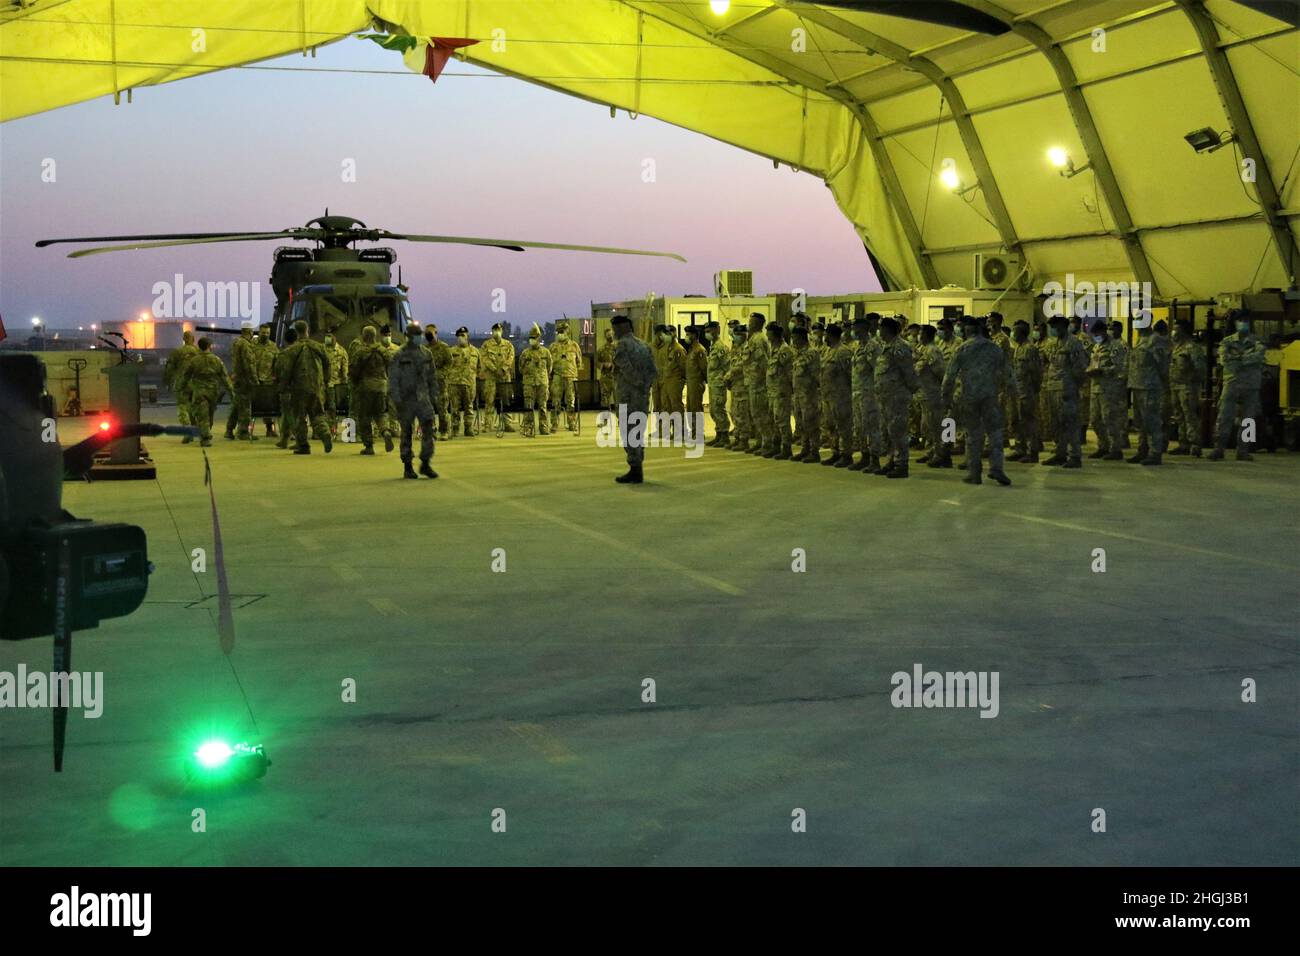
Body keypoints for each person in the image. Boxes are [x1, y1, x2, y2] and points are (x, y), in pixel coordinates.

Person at [943, 315, 1012, 485]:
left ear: (967, 331)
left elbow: (949, 376)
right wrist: (1011, 392)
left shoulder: (962, 349)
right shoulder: (994, 348)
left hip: (970, 397)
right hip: (990, 396)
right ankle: (997, 468)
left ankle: (974, 473)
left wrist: (946, 397)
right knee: (995, 433)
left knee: (973, 434)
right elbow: (1008, 373)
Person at [1209, 310, 1267, 461]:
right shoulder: (1227, 341)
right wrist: (1247, 358)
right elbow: (1224, 359)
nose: (1243, 323)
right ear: (1235, 323)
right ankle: (1218, 448)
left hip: (1251, 385)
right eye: (1240, 320)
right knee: (1224, 417)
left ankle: (1243, 450)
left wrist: (1238, 358)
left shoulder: (1257, 341)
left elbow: (1259, 356)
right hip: (1232, 384)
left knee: (1249, 419)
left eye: (1246, 320)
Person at [610, 314, 657, 484]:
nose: (613, 332)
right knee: (638, 431)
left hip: (628, 397)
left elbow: (625, 367)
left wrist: (637, 383)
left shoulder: (622, 345)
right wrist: (645, 387)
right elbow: (653, 371)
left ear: (621, 328)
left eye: (615, 328)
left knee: (629, 431)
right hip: (642, 397)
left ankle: (635, 469)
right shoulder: (644, 345)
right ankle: (637, 468)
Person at [388, 322, 438, 479]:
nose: (419, 338)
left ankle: (425, 463)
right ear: (408, 337)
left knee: (429, 430)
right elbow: (393, 379)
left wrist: (434, 396)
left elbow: (432, 377)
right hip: (406, 400)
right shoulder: (399, 355)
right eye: (416, 335)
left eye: (419, 335)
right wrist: (396, 399)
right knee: (406, 433)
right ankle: (408, 466)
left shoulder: (426, 354)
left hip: (423, 399)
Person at [1040, 315, 1087, 467]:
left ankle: (1075, 456)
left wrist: (1074, 387)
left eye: (1057, 326)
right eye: (1053, 327)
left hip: (1067, 388)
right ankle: (1060, 453)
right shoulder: (1053, 343)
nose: (1055, 329)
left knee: (1070, 423)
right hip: (1053, 387)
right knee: (1056, 422)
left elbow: (1079, 368)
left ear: (1064, 326)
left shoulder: (1073, 343)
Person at [875, 317, 918, 478]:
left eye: (881, 328)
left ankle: (902, 465)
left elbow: (908, 372)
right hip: (886, 397)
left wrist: (911, 391)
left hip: (897, 397)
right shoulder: (886, 346)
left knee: (898, 431)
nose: (879, 331)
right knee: (889, 431)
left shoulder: (900, 347)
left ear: (887, 330)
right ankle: (891, 461)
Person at [281, 320, 333, 455]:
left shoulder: (292, 349)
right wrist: (325, 381)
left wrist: (283, 386)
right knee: (318, 414)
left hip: (299, 388)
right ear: (307, 330)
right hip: (317, 386)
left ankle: (303, 445)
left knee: (300, 417)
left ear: (296, 332)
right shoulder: (319, 347)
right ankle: (325, 433)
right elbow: (328, 364)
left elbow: (287, 370)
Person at [175, 337, 231, 448]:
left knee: (203, 415)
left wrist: (179, 387)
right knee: (208, 415)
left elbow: (185, 376)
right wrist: (231, 391)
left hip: (199, 391)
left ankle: (205, 434)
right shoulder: (216, 360)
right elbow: (224, 377)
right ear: (210, 346)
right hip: (213, 392)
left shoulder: (194, 361)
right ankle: (205, 437)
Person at [349, 325, 395, 455]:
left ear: (364, 336)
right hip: (381, 386)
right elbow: (391, 365)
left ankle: (369, 446)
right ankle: (385, 431)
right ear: (375, 336)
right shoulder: (383, 350)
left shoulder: (361, 351)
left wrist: (355, 383)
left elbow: (353, 370)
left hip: (366, 387)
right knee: (380, 413)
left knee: (365, 416)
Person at [1085, 319, 1126, 460]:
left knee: (1109, 419)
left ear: (1103, 332)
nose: (1096, 336)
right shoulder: (1096, 346)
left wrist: (1103, 371)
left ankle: (1116, 449)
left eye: (1098, 333)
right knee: (1095, 419)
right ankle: (1103, 446)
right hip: (1095, 387)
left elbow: (1120, 367)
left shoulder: (1114, 346)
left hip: (1109, 387)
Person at [1126, 321, 1165, 465]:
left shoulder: (1155, 340)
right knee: (1140, 422)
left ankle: (1155, 453)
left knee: (1151, 421)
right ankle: (1143, 450)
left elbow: (1162, 364)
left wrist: (1160, 383)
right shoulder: (1139, 339)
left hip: (1149, 386)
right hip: (1137, 385)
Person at [849, 313, 884, 473]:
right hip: (857, 392)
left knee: (871, 427)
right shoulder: (858, 347)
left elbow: (878, 369)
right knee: (859, 427)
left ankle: (874, 459)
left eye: (856, 328)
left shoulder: (872, 346)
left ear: (864, 329)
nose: (853, 331)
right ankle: (864, 456)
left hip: (869, 394)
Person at [1168, 318, 1206, 457]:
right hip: (1175, 386)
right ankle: (1183, 444)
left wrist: (1192, 380)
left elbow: (1200, 368)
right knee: (1179, 417)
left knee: (1190, 416)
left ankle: (1195, 445)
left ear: (1184, 332)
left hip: (1187, 387)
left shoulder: (1192, 348)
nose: (1174, 332)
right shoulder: (1175, 347)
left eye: (1177, 330)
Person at [1008, 320, 1042, 463]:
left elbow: (1036, 372)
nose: (1012, 334)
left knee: (1028, 422)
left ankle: (1032, 451)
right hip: (1017, 390)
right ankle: (1019, 448)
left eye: (1015, 332)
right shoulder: (1018, 348)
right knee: (1018, 422)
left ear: (1021, 333)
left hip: (1027, 391)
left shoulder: (1030, 348)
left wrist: (1034, 389)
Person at [820, 324, 853, 467]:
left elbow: (850, 374)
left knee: (843, 426)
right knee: (831, 426)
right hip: (828, 395)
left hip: (841, 396)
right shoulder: (828, 351)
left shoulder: (843, 352)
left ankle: (847, 454)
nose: (824, 337)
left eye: (826, 334)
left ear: (832, 335)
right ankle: (836, 452)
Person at [914, 324, 946, 465]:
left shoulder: (933, 351)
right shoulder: (922, 350)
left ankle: (942, 455)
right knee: (927, 426)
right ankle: (933, 451)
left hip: (933, 394)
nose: (919, 336)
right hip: (924, 395)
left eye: (921, 334)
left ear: (927, 335)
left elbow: (940, 373)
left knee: (937, 426)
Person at [790, 324, 821, 463]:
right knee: (800, 424)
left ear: (802, 338)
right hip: (798, 394)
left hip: (809, 395)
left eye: (795, 338)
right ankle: (805, 449)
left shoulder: (811, 353)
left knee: (811, 424)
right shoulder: (796, 353)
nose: (793, 340)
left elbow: (816, 375)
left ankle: (814, 451)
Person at [764, 323, 795, 459]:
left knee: (782, 421)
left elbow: (790, 373)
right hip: (772, 391)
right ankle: (776, 446)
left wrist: (788, 390)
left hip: (781, 391)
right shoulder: (773, 349)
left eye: (769, 332)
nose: (767, 335)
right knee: (773, 420)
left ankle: (786, 448)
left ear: (775, 334)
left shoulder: (784, 350)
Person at [163, 329, 200, 442]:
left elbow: (169, 369)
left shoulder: (177, 352)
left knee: (182, 407)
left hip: (182, 383)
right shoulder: (199, 352)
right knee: (195, 407)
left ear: (183, 339)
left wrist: (167, 382)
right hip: (196, 384)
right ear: (193, 339)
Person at [481, 322, 517, 434]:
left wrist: (503, 369)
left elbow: (510, 358)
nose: (497, 332)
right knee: (489, 401)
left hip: (504, 378)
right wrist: (494, 369)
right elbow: (484, 359)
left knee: (506, 401)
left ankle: (507, 424)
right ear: (492, 332)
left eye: (499, 330)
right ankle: (488, 425)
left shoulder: (508, 345)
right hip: (491, 378)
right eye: (495, 330)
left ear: (501, 331)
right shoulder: (486, 345)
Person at [549, 320, 584, 433]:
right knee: (555, 401)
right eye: (558, 332)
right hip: (557, 377)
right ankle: (554, 424)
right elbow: (549, 363)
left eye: (562, 332)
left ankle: (571, 423)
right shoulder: (553, 346)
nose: (560, 334)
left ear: (567, 332)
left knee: (571, 401)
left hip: (571, 377)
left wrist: (572, 371)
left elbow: (579, 362)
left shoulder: (574, 346)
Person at [743, 312, 771, 454]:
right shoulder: (753, 338)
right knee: (756, 414)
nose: (749, 324)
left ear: (758, 324)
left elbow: (763, 362)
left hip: (759, 384)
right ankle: (760, 442)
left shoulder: (758, 339)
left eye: (751, 322)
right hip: (753, 383)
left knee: (761, 415)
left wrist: (765, 381)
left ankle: (766, 443)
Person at [519, 324, 553, 437]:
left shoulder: (546, 352)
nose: (532, 340)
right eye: (530, 338)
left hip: (542, 383)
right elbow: (520, 368)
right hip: (529, 383)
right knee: (528, 407)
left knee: (543, 406)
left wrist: (543, 376)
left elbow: (549, 367)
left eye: (534, 338)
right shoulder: (525, 353)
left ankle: (543, 427)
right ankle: (528, 428)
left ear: (539, 339)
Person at [653, 324, 685, 440]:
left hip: (674, 382)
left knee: (676, 407)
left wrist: (680, 382)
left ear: (674, 334)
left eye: (668, 333)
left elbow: (683, 368)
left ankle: (680, 432)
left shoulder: (678, 349)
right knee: (666, 407)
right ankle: (670, 431)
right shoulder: (666, 348)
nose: (665, 336)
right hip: (663, 381)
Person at [447, 326, 479, 437]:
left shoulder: (475, 351)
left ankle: (468, 428)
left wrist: (473, 377)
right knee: (455, 408)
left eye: (463, 336)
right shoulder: (451, 351)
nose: (460, 338)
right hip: (454, 383)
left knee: (469, 407)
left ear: (467, 336)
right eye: (459, 336)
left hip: (469, 383)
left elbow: (479, 368)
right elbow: (446, 367)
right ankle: (455, 429)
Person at [226, 323, 256, 440]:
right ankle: (243, 432)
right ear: (250, 332)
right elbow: (249, 364)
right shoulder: (245, 345)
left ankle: (229, 429)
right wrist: (254, 380)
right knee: (245, 407)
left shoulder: (236, 342)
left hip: (237, 377)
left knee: (236, 405)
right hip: (245, 380)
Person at [423, 324, 453, 440]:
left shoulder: (444, 348)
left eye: (430, 334)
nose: (428, 337)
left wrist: (441, 374)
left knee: (442, 409)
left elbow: (449, 363)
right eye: (426, 335)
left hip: (440, 384)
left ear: (436, 333)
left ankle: (444, 431)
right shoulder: (424, 349)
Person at [704, 321, 730, 447]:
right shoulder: (713, 346)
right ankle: (719, 434)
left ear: (717, 330)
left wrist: (725, 381)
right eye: (706, 331)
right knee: (713, 410)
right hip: (713, 384)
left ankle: (724, 435)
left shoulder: (720, 347)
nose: (708, 333)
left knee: (719, 409)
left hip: (719, 384)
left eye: (710, 331)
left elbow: (726, 366)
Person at [251, 323, 279, 438]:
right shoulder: (252, 346)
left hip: (268, 382)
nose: (265, 335)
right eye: (263, 333)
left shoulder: (273, 347)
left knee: (268, 406)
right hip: (254, 381)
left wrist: (275, 376)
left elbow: (277, 363)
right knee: (251, 407)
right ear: (259, 332)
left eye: (267, 333)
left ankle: (270, 429)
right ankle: (244, 430)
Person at [726, 323, 750, 451]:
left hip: (742, 385)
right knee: (734, 411)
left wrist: (730, 374)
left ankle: (744, 440)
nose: (735, 337)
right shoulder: (736, 348)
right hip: (735, 385)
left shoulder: (747, 348)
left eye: (738, 335)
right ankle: (737, 437)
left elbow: (742, 365)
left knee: (742, 413)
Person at [273, 327, 298, 448]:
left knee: (288, 414)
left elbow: (277, 371)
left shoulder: (282, 354)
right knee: (288, 415)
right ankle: (284, 439)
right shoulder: (300, 352)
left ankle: (299, 439)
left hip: (286, 388)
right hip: (298, 387)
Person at [323, 330, 349, 437]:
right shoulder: (321, 349)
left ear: (334, 337)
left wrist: (344, 382)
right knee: (323, 408)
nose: (328, 338)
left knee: (332, 407)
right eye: (326, 336)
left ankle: (332, 428)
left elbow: (344, 369)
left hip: (335, 385)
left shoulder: (341, 351)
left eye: (329, 336)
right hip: (322, 384)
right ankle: (325, 429)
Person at [684, 326, 708, 441]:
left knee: (696, 409)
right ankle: (694, 431)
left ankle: (699, 433)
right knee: (690, 409)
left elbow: (704, 368)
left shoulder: (700, 350)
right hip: (690, 383)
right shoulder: (691, 349)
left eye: (688, 334)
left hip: (697, 383)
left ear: (694, 335)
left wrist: (704, 382)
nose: (686, 337)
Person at [596, 327, 618, 413]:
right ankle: (605, 421)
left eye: (611, 334)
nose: (610, 336)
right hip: (605, 378)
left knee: (620, 400)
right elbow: (597, 362)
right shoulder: (601, 350)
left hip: (617, 378)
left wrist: (614, 365)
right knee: (605, 400)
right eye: (608, 335)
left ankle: (622, 420)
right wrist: (603, 365)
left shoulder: (619, 348)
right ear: (605, 336)